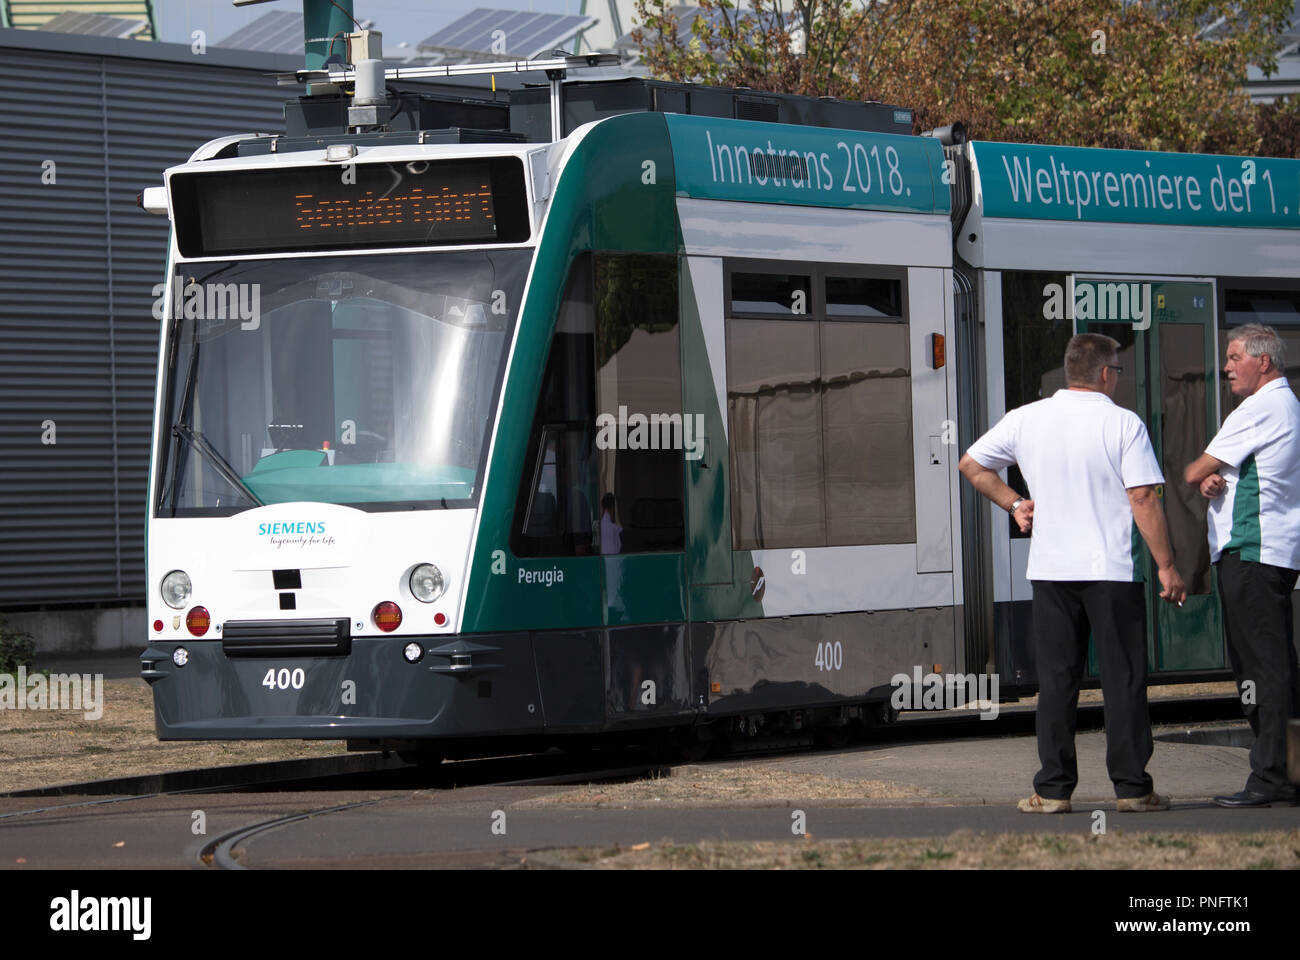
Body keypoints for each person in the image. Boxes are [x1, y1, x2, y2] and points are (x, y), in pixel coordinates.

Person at [959, 333, 1187, 813]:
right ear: (1105, 373)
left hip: (1050, 569)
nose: (1118, 379)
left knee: (1057, 680)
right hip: (1111, 572)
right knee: (1122, 680)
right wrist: (1167, 565)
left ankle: (1052, 791)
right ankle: (1132, 789)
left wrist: (1015, 504)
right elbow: (1143, 498)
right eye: (1118, 371)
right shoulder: (1124, 423)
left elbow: (972, 464)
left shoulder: (1027, 418)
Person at [1183, 323, 1300, 807]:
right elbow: (1228, 472)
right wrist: (1218, 478)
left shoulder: (1259, 407)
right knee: (1272, 666)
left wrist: (1206, 474)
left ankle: (1272, 777)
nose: (1226, 367)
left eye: (1234, 358)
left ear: (1263, 361)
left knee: (1261, 669)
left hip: (1250, 552)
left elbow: (1192, 469)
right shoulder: (1286, 405)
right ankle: (1287, 770)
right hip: (1270, 552)